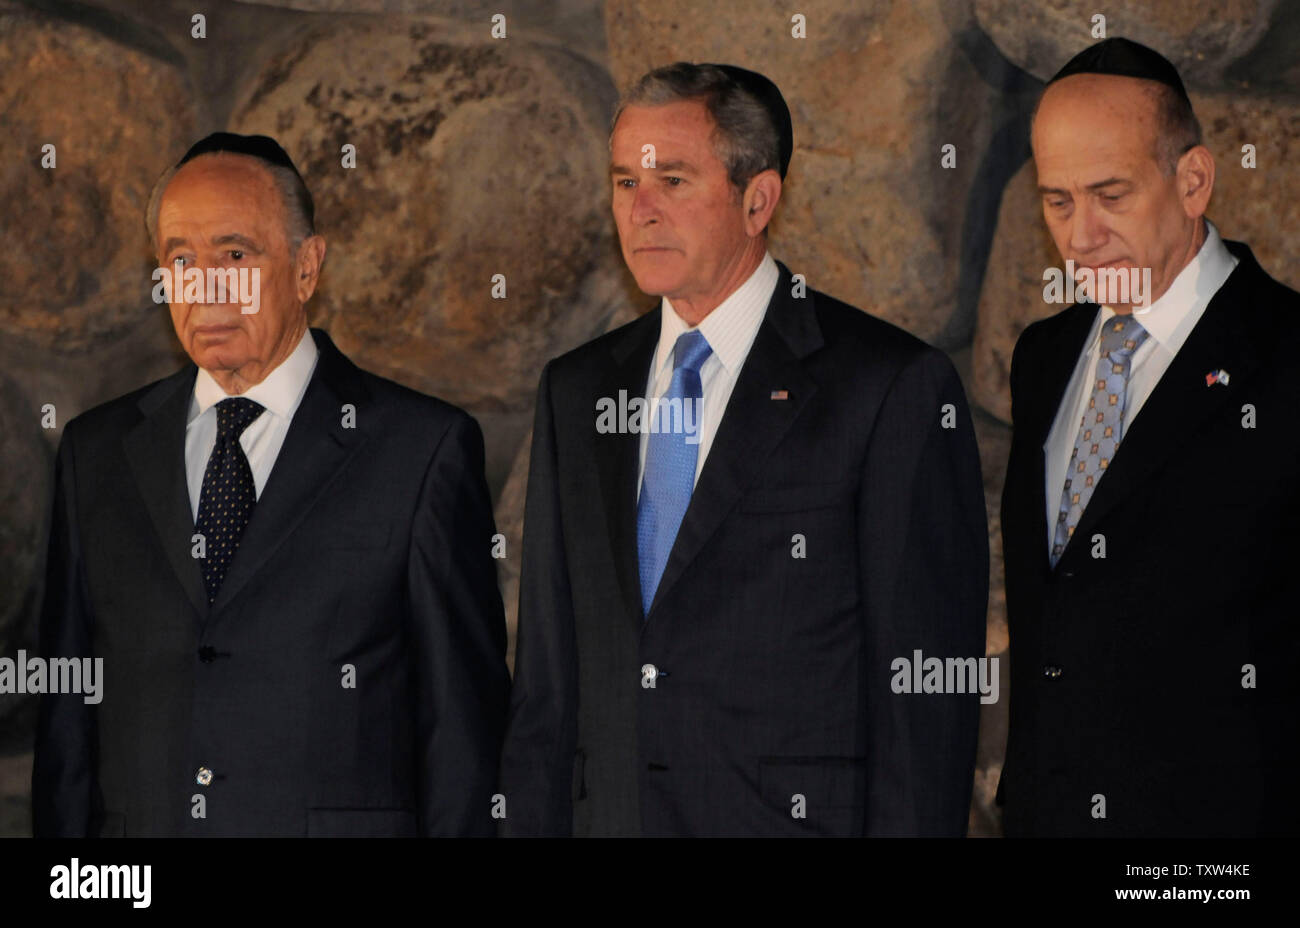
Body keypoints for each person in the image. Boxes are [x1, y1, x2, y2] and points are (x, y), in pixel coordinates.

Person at [500, 63, 988, 837]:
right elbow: (549, 690)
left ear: (758, 199)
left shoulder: (889, 387)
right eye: (625, 182)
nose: (641, 211)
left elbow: (920, 709)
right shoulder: (579, 390)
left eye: (674, 182)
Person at [32, 132, 509, 837]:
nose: (207, 287)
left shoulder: (421, 450)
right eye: (182, 259)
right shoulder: (96, 454)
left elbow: (463, 737)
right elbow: (67, 729)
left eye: (235, 255)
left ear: (307, 266)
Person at [999, 38, 1300, 836]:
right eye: (1057, 200)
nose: (1081, 235)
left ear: (1194, 180)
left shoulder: (1287, 354)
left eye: (1110, 194)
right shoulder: (1042, 357)